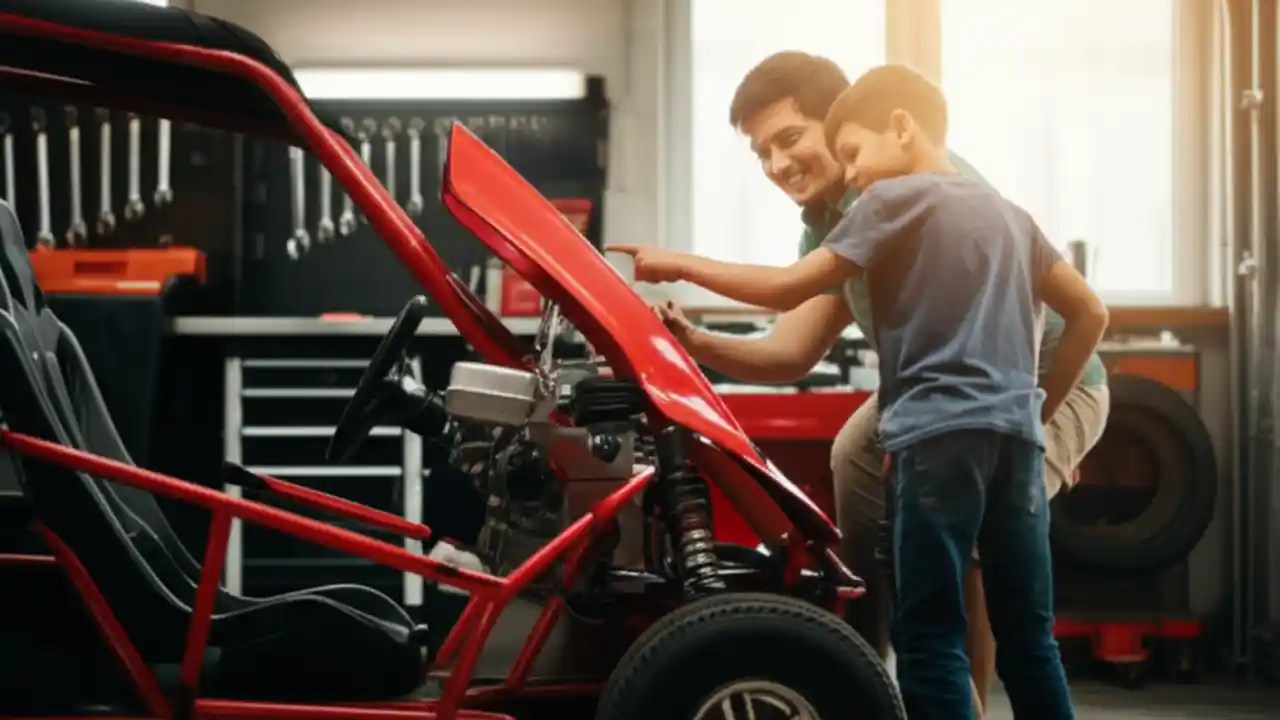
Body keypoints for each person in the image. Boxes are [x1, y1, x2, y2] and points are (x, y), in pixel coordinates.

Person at [619, 50, 1110, 715]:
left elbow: (784, 292)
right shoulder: (844, 215)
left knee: (956, 575)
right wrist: (699, 343)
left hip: (1051, 377)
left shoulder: (897, 194)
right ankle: (862, 664)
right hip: (992, 403)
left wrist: (1042, 413)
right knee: (856, 454)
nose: (777, 165)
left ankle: (960, 700)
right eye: (762, 153)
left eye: (791, 139)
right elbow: (791, 349)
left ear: (860, 122)